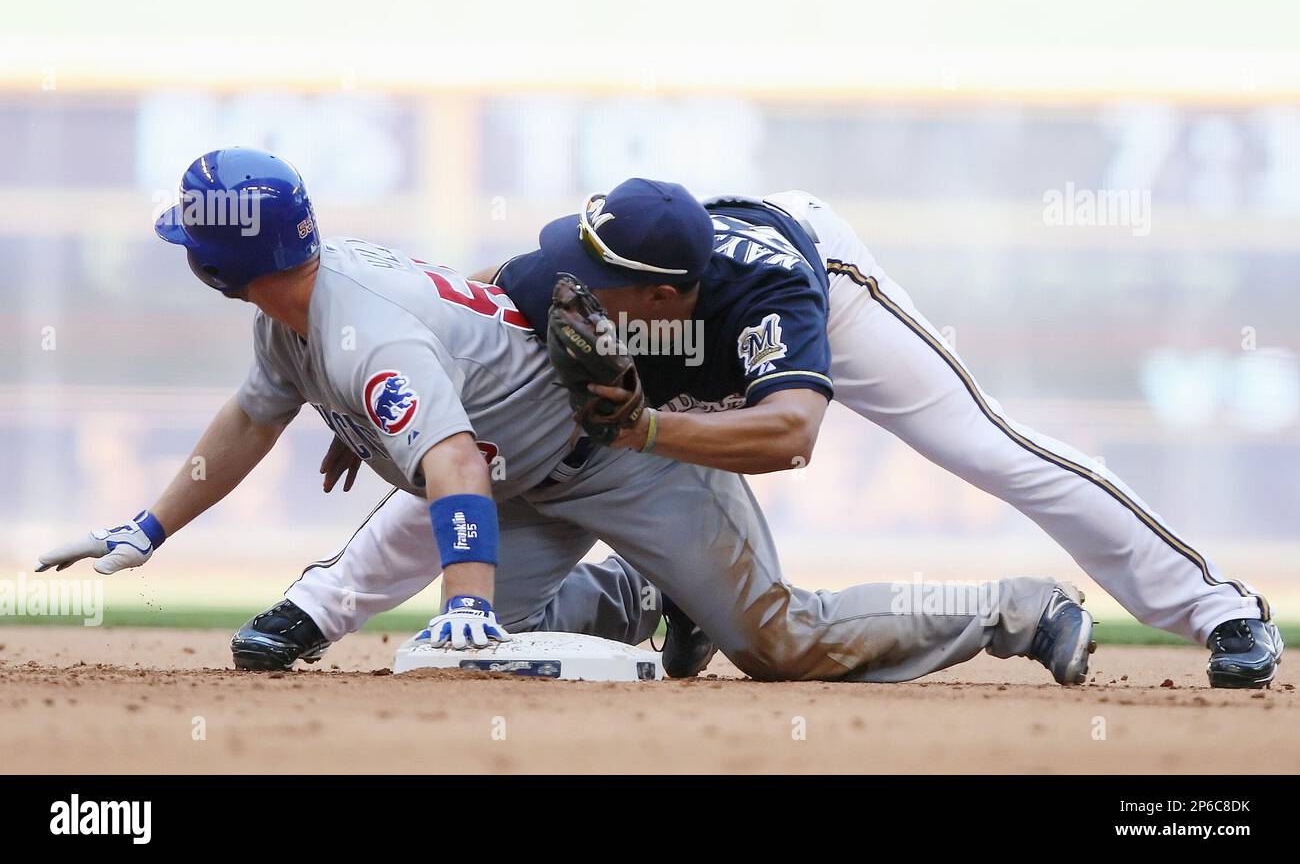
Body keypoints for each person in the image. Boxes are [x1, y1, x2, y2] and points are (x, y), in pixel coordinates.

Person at [36, 148, 1096, 686]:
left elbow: (450, 463)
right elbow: (249, 416)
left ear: (227, 266)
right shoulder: (308, 308)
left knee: (778, 643)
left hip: (620, 454)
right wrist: (152, 523)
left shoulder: (356, 330)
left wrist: (460, 598)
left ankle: (1011, 606)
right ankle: (640, 588)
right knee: (492, 646)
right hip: (534, 470)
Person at [472, 179, 1281, 689]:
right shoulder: (581, 270)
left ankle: (1221, 608)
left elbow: (791, 436)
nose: (577, 272)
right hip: (689, 317)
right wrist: (372, 412)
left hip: (822, 286)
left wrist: (647, 429)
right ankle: (669, 589)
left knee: (987, 447)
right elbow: (466, 300)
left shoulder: (765, 285)